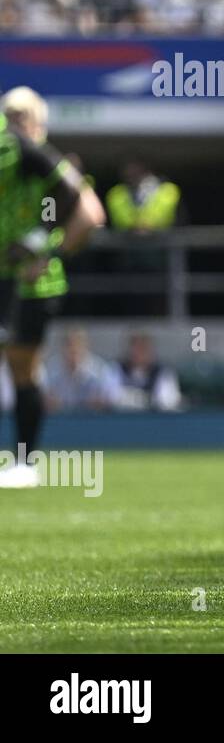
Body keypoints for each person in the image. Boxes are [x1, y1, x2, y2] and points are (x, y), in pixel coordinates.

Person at [0, 90, 106, 488]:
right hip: (6, 273)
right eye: (10, 113)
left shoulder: (42, 161)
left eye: (22, 115)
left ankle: (26, 462)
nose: (14, 121)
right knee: (17, 365)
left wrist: (47, 250)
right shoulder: (11, 158)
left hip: (31, 282)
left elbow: (90, 213)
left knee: (21, 366)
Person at [115, 332, 183, 412]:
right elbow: (112, 397)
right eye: (135, 349)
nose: (138, 354)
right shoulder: (116, 370)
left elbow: (168, 402)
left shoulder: (163, 374)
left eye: (143, 349)